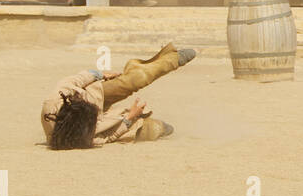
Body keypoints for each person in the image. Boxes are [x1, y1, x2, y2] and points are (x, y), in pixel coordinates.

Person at [40, 44, 196, 149]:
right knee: (147, 129)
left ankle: (171, 59)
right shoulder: (82, 137)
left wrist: (99, 74)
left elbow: (76, 80)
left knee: (134, 79)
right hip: (109, 122)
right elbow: (110, 136)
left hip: (94, 94)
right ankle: (156, 127)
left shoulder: (56, 100)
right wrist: (130, 118)